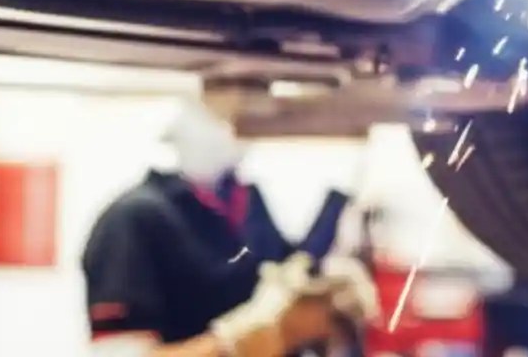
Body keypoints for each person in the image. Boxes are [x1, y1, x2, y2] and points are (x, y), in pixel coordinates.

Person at [81, 99, 375, 356]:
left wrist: (324, 291)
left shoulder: (247, 203)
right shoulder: (132, 220)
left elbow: (287, 271)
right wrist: (247, 338)